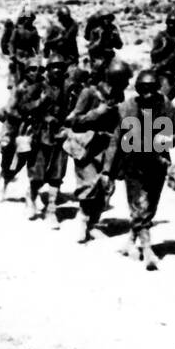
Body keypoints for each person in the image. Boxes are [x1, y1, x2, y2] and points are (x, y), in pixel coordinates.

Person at [102, 70, 175, 270]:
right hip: (132, 162)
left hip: (157, 162)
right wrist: (107, 169)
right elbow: (116, 139)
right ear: (137, 89)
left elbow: (172, 137)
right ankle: (147, 248)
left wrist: (166, 139)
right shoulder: (127, 108)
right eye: (143, 90)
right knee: (138, 205)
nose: (148, 94)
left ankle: (130, 240)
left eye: (152, 90)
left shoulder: (166, 107)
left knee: (151, 205)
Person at [65, 59, 132, 243]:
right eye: (124, 80)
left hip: (107, 146)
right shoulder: (89, 92)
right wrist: (97, 113)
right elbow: (72, 121)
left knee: (104, 187)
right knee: (88, 186)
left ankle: (93, 224)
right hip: (87, 146)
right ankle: (83, 223)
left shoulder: (119, 95)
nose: (127, 84)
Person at [25, 55, 76, 225]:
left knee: (57, 174)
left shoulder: (69, 88)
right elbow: (26, 107)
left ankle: (51, 209)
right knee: (37, 174)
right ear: (48, 70)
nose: (57, 70)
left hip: (60, 135)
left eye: (60, 67)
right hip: (41, 134)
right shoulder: (38, 87)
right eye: (53, 67)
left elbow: (76, 110)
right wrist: (42, 104)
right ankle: (31, 198)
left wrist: (68, 125)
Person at [0, 55, 44, 199]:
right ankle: (4, 181)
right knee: (13, 159)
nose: (36, 73)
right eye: (32, 69)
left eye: (40, 70)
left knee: (37, 161)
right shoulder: (20, 88)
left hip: (37, 126)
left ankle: (34, 194)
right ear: (26, 71)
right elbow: (11, 108)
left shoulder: (44, 86)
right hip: (19, 126)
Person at [149, 9, 175, 100]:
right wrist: (166, 48)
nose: (171, 26)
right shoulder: (162, 36)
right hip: (165, 71)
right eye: (169, 23)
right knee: (156, 98)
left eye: (174, 23)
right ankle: (149, 114)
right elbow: (153, 56)